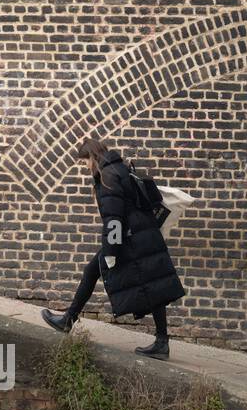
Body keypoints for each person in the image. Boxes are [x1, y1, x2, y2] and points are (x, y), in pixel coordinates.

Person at [42, 139, 186, 359]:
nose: (85, 168)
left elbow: (114, 219)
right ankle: (161, 342)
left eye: (85, 162)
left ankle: (68, 320)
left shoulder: (107, 177)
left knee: (96, 272)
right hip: (141, 234)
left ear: (93, 157)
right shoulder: (120, 167)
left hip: (130, 239)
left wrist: (111, 251)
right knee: (151, 285)